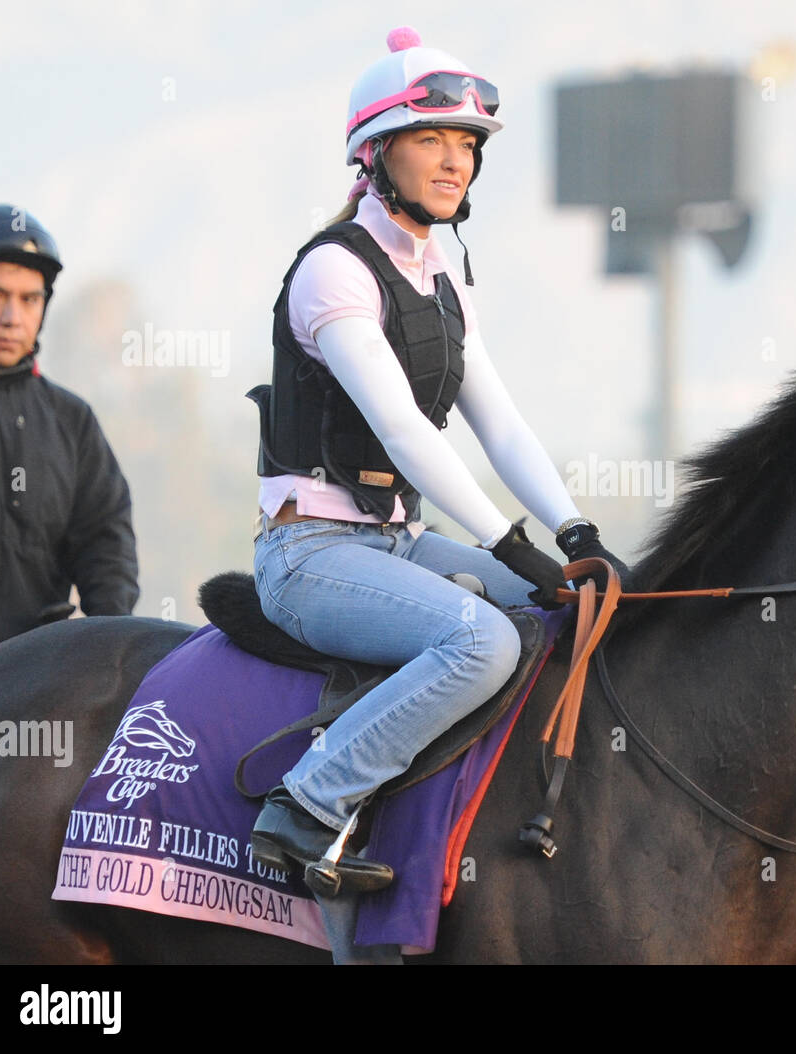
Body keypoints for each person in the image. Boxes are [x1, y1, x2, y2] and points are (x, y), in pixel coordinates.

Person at [249, 27, 626, 892]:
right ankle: (307, 807)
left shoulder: (443, 284)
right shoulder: (332, 274)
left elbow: (500, 425)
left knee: (574, 609)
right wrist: (507, 542)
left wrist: (574, 530)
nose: (455, 161)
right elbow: (409, 434)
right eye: (432, 140)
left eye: (467, 145)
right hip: (310, 557)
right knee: (480, 642)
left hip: (401, 544)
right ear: (375, 154)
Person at [0, 204, 139, 659]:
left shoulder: (71, 420)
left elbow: (106, 544)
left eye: (29, 299)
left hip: (32, 683)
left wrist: (108, 648)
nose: (11, 317)